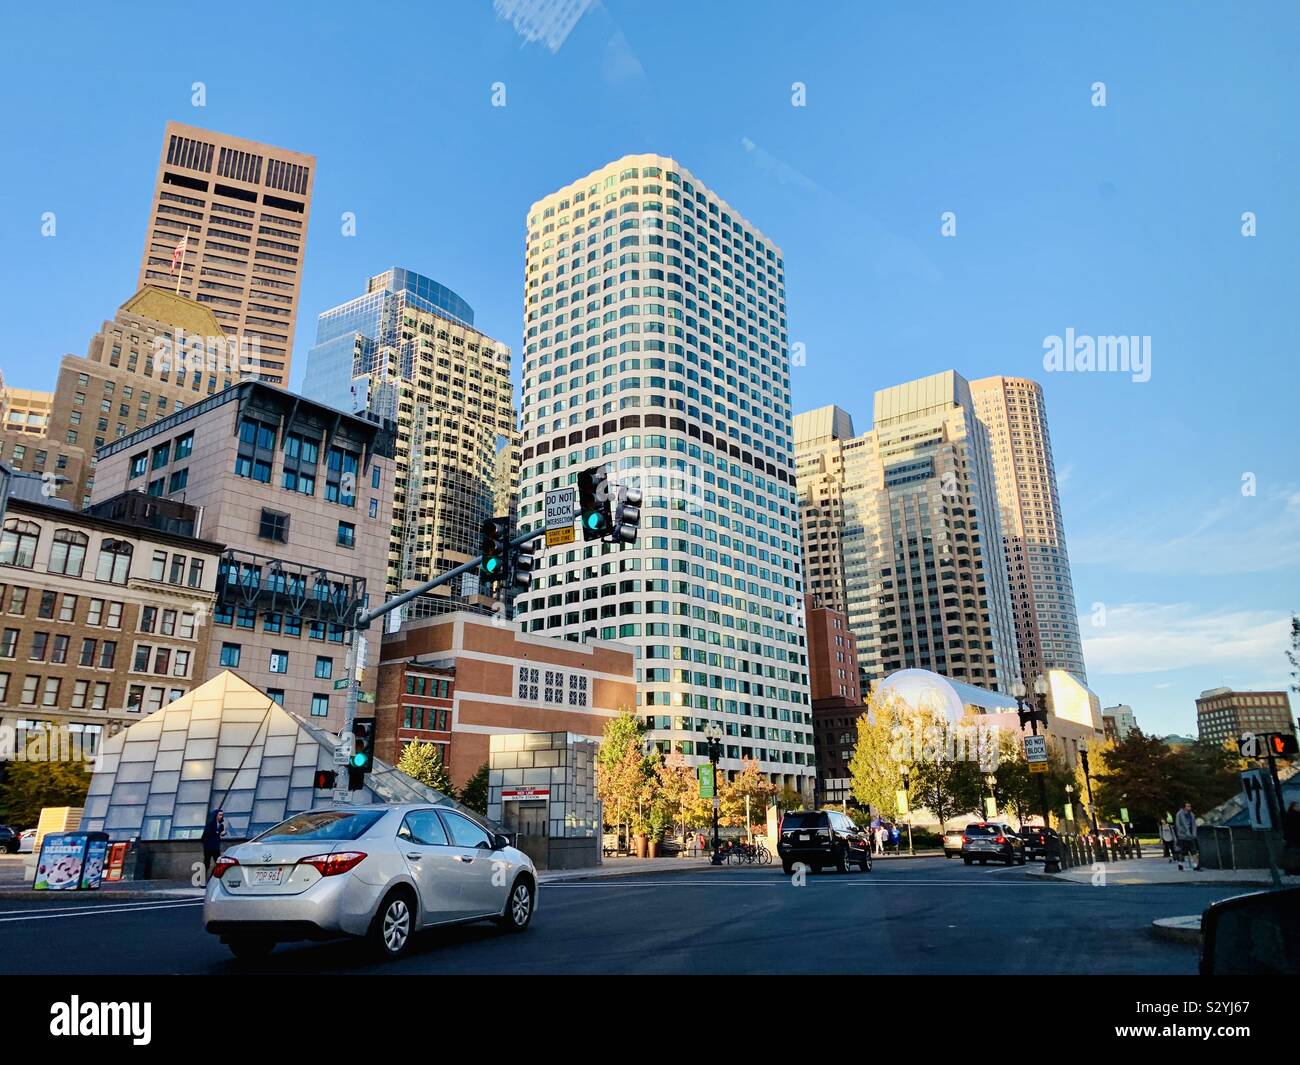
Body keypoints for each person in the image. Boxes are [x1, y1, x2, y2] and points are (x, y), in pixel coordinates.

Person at [1173, 801, 1200, 871]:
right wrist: (1182, 833)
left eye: (1190, 806)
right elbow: (1178, 825)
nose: (1189, 808)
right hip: (1183, 836)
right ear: (1184, 807)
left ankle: (1196, 865)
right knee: (1182, 852)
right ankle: (1180, 864)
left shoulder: (1191, 815)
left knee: (1194, 851)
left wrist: (1194, 833)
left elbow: (1194, 824)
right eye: (1188, 806)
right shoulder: (1179, 814)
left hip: (1191, 836)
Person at [201, 809, 227, 877]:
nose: (221, 816)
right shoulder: (210, 824)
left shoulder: (221, 826)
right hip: (208, 847)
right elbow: (206, 836)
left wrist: (222, 833)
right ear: (216, 815)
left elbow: (220, 833)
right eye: (220, 815)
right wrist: (218, 833)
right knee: (207, 864)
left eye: (222, 815)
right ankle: (202, 880)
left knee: (218, 863)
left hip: (216, 847)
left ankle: (212, 877)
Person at [1282, 800, 1300, 875]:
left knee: (1291, 855)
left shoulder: (1289, 815)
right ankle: (1294, 870)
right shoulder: (1295, 816)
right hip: (1295, 839)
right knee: (1294, 855)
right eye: (1297, 806)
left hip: (1291, 839)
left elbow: (1287, 828)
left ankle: (1290, 870)